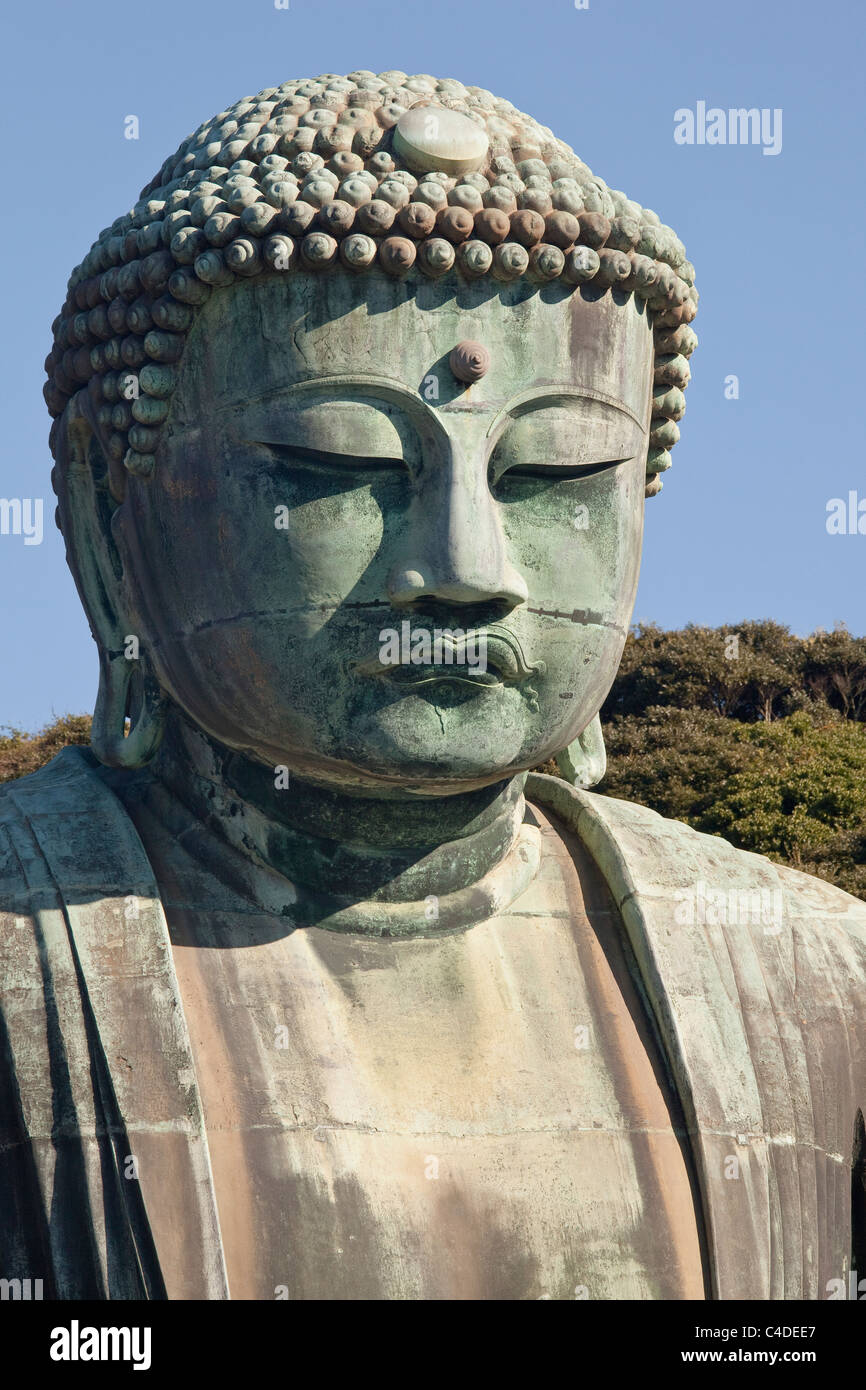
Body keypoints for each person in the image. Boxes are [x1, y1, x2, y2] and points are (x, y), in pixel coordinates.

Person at [1, 69, 863, 1301]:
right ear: (105, 507)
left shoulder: (818, 984)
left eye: (555, 470)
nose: (464, 572)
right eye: (337, 461)